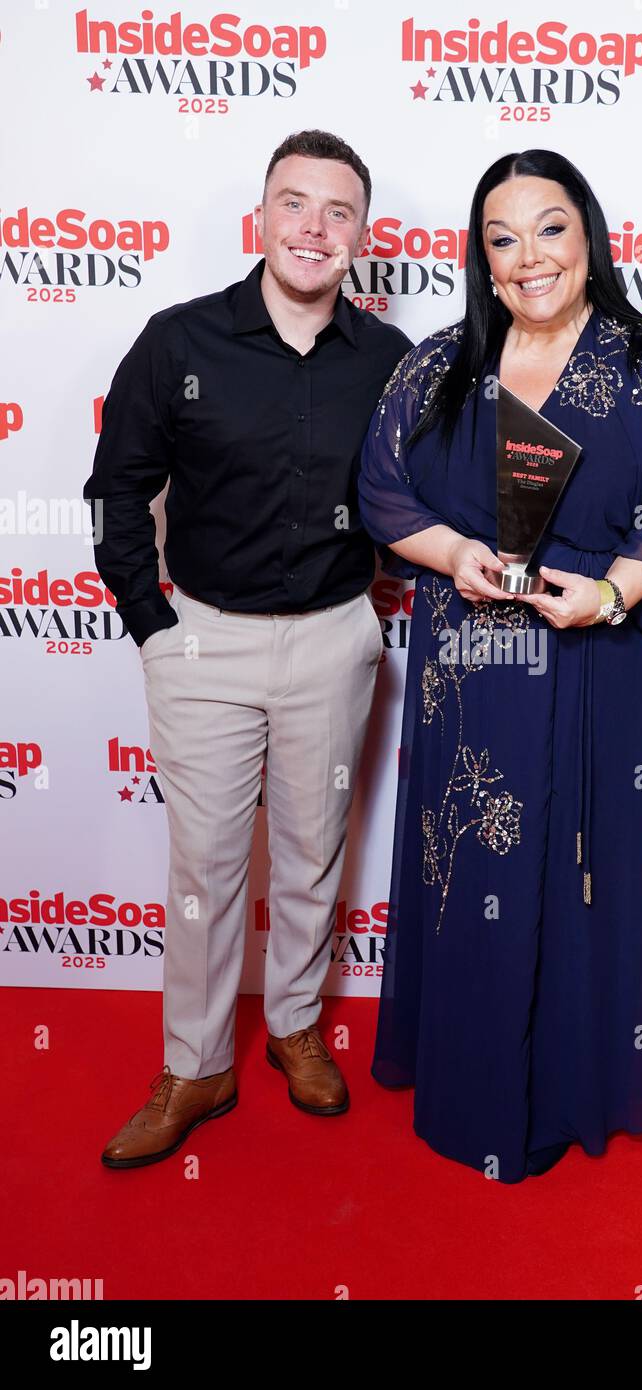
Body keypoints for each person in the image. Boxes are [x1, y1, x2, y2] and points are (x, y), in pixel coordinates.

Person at [357, 149, 642, 1183]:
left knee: (580, 870)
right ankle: (469, 1079)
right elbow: (384, 491)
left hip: (592, 662)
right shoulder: (435, 364)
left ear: (588, 233)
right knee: (470, 869)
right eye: (501, 238)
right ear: (479, 257)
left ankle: (575, 1084)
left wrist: (607, 594)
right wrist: (454, 556)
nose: (528, 257)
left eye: (549, 227)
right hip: (465, 665)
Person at [84, 129, 411, 1168]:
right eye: (294, 204)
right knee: (206, 863)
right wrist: (151, 624)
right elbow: (116, 492)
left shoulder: (388, 361)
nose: (313, 227)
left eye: (337, 211)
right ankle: (195, 1062)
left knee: (313, 850)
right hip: (204, 643)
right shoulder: (178, 342)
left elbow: (424, 500)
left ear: (360, 235)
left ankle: (294, 1025)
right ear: (260, 220)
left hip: (333, 637)